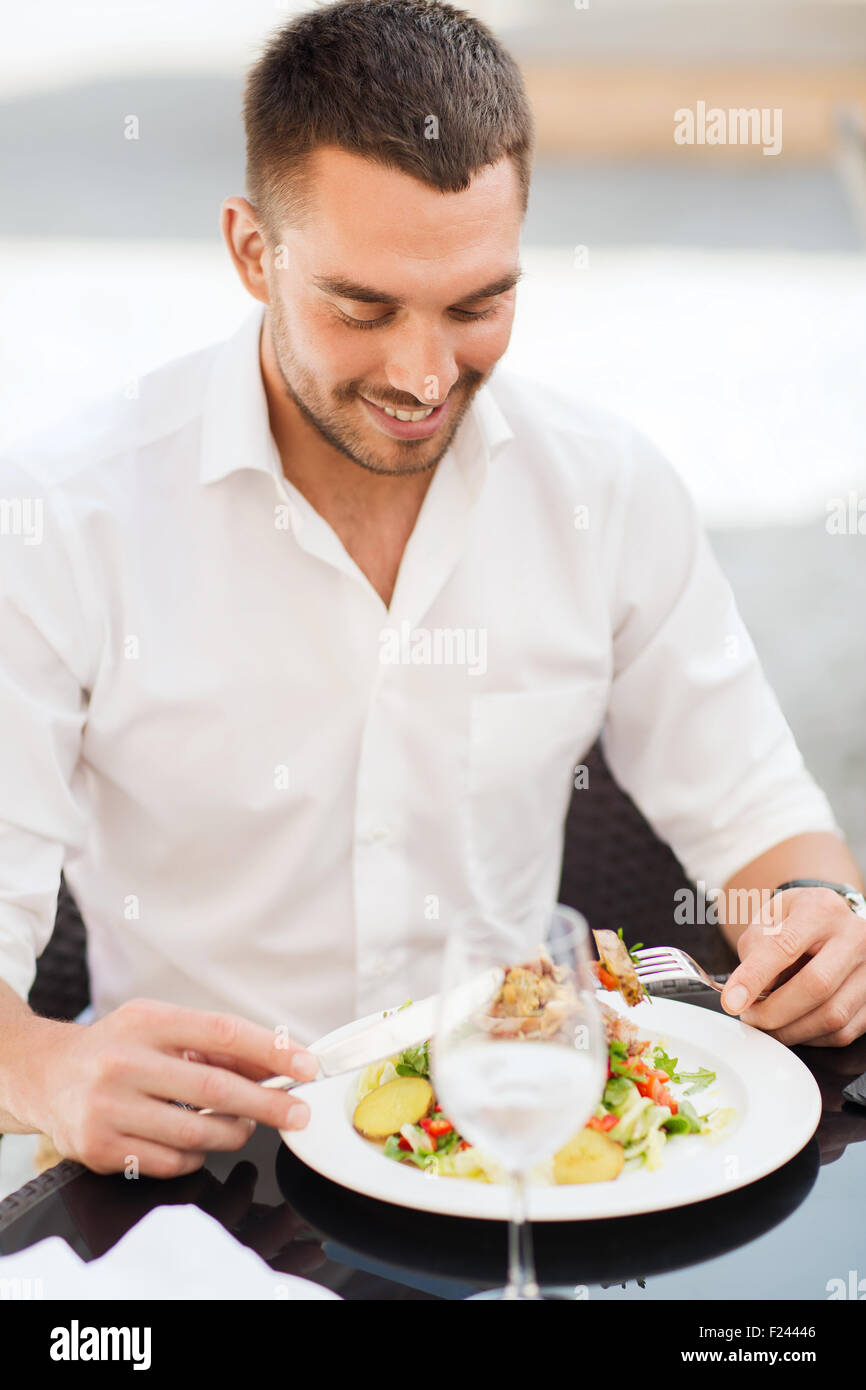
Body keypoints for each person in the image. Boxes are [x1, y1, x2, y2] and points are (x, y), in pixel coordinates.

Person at [0, 0, 863, 1179]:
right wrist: (39, 1068)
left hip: (521, 1146)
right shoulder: (63, 517)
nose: (421, 375)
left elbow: (761, 820)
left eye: (476, 306)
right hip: (209, 1182)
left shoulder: (603, 488)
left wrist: (817, 919)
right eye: (362, 308)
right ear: (252, 251)